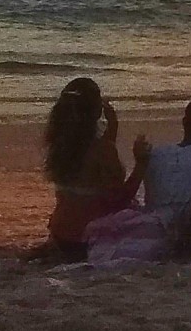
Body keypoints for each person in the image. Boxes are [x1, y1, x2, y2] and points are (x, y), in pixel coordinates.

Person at [86, 97, 191, 268]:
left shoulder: (157, 153)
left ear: (184, 122)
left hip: (156, 225)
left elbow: (131, 197)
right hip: (190, 232)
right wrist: (186, 248)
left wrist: (139, 162)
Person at [41, 76, 133, 259]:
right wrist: (142, 164)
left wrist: (112, 130)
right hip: (87, 238)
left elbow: (89, 161)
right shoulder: (102, 150)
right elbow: (120, 199)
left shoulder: (60, 147)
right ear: (97, 111)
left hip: (60, 234)